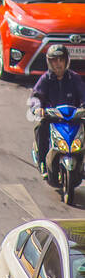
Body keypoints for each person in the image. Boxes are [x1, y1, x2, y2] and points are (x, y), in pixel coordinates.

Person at [29, 45, 85, 182]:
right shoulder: (45, 79)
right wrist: (37, 108)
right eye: (54, 60)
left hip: (74, 119)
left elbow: (84, 96)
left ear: (66, 61)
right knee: (41, 128)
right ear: (49, 62)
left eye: (61, 59)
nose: (58, 63)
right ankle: (43, 162)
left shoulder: (75, 78)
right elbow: (35, 97)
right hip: (52, 119)